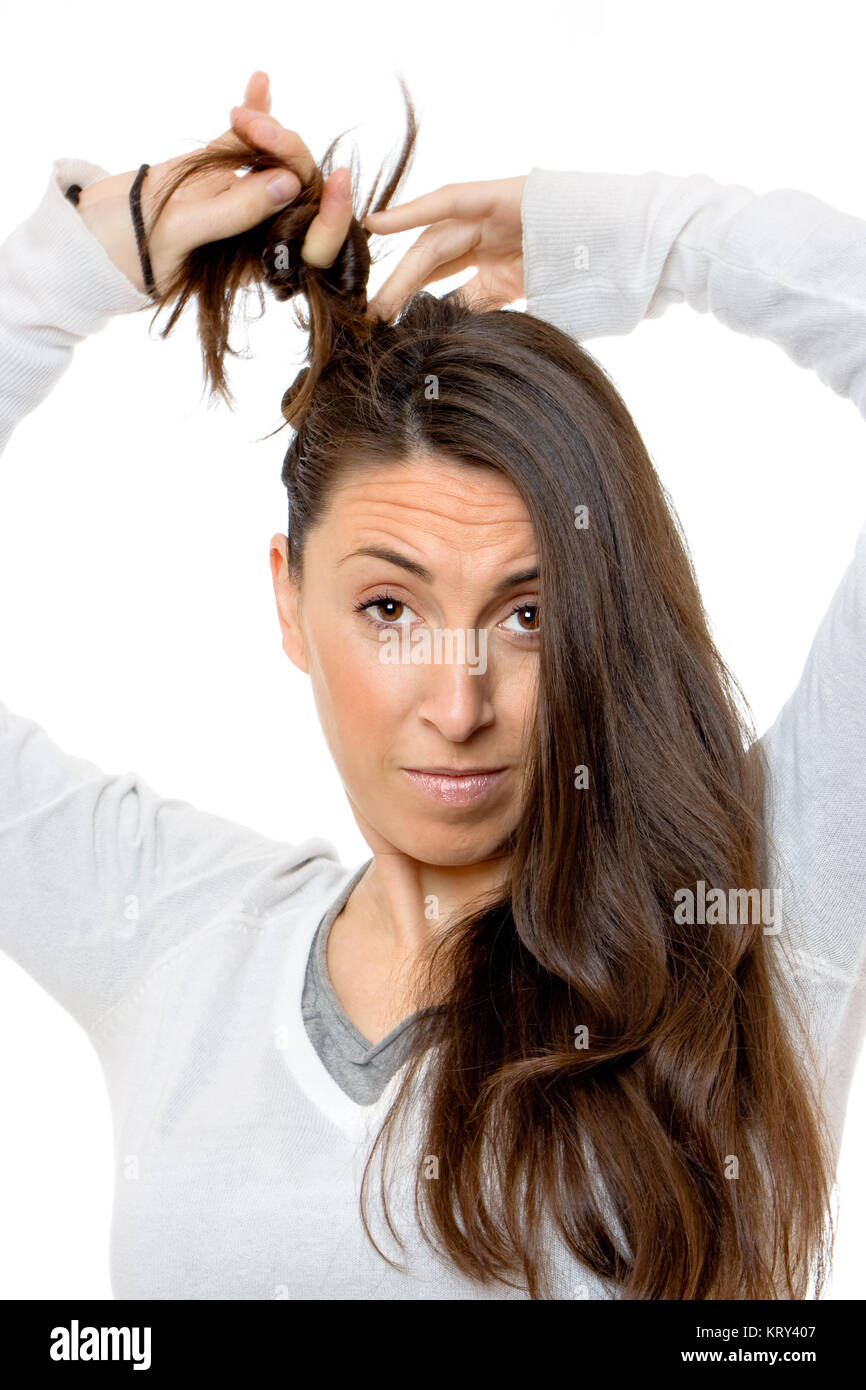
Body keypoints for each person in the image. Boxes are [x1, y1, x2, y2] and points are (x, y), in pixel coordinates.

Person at [0, 69, 863, 1301]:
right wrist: (86, 256)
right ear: (289, 602)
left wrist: (632, 238)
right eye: (389, 609)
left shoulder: (751, 919)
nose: (457, 704)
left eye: (525, 614)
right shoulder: (174, 929)